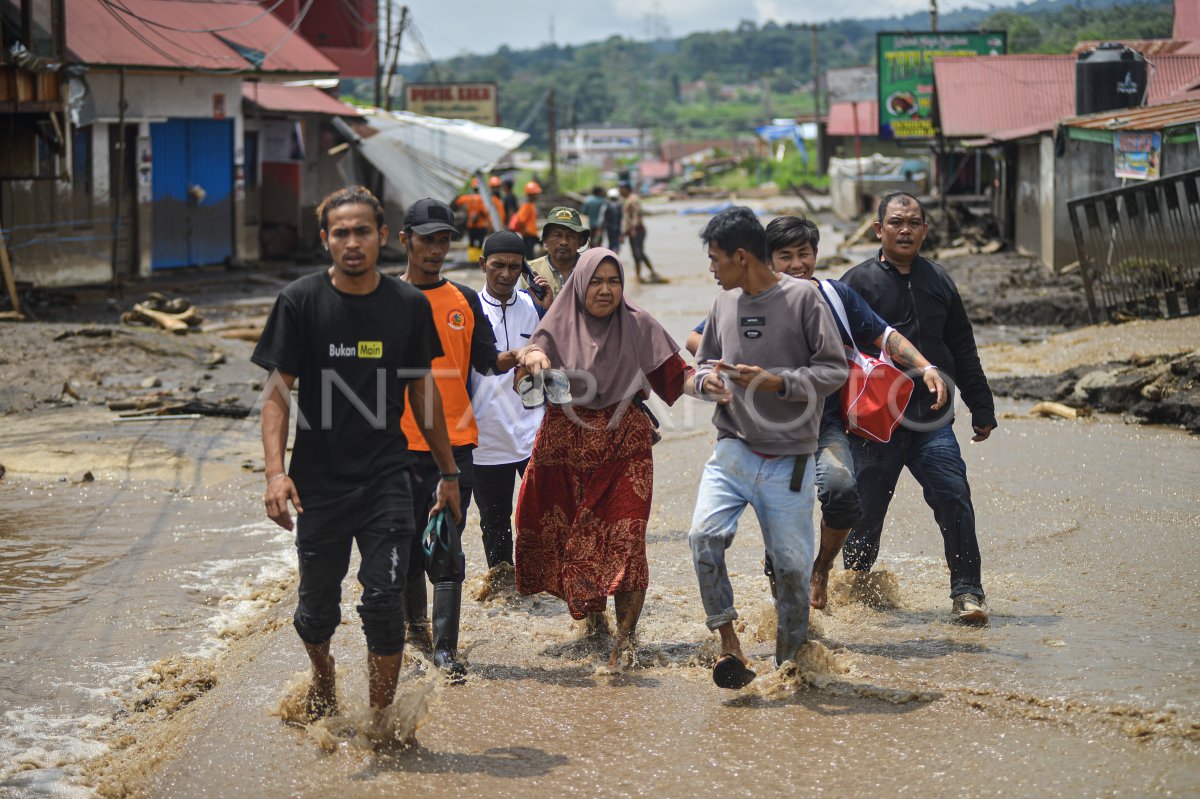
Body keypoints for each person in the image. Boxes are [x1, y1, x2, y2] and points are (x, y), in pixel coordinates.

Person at [253, 186, 461, 726]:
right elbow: (276, 395)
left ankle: (380, 720)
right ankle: (324, 676)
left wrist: (448, 472)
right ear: (325, 239)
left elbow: (424, 393)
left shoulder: (408, 307)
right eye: (340, 232)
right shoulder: (300, 301)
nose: (352, 242)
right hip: (318, 483)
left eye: (362, 231)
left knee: (385, 602)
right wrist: (275, 474)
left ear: (382, 237)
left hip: (386, 477)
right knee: (317, 611)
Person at [683, 216, 947, 609]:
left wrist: (925, 367)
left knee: (841, 492)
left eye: (803, 254)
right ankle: (785, 613)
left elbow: (883, 335)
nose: (796, 265)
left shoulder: (833, 295)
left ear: (816, 255)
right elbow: (696, 338)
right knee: (776, 527)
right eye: (785, 257)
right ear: (765, 260)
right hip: (764, 428)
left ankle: (821, 566)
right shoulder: (743, 300)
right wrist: (728, 370)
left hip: (824, 421)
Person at [513, 248, 700, 669]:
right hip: (564, 443)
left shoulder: (638, 324)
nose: (605, 290)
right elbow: (525, 370)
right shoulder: (556, 325)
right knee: (569, 534)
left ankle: (626, 644)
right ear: (579, 284)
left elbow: (675, 375)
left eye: (613, 281)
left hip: (624, 442)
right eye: (596, 281)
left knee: (627, 538)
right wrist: (532, 359)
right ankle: (595, 626)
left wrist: (710, 384)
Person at [688, 206, 846, 689]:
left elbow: (835, 370)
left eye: (716, 260)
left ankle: (788, 667)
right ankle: (730, 646)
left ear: (741, 257)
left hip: (792, 457)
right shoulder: (722, 304)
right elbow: (697, 370)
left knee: (794, 568)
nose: (712, 269)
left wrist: (780, 382)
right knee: (703, 539)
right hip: (733, 448)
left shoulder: (803, 299)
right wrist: (708, 384)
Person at [839, 192, 997, 624]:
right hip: (875, 426)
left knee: (954, 496)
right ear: (879, 230)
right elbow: (836, 355)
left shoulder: (940, 281)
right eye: (896, 222)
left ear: (925, 230)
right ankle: (852, 592)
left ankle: (968, 593)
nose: (905, 230)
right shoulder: (855, 285)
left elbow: (962, 348)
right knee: (864, 514)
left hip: (932, 419)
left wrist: (981, 406)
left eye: (913, 222)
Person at [398, 198, 521, 681]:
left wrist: (530, 354)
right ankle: (414, 631)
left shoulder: (464, 300)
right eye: (427, 238)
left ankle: (445, 650)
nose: (435, 249)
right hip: (397, 448)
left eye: (444, 239)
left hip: (454, 446)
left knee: (445, 542)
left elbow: (489, 360)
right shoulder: (384, 298)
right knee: (406, 544)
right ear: (404, 238)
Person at [472, 231, 545, 570]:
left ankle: (541, 584)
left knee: (544, 518)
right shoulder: (468, 310)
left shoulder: (534, 306)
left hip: (533, 434)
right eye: (497, 265)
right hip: (485, 440)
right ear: (482, 263)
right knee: (495, 524)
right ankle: (503, 591)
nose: (505, 274)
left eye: (514, 267)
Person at [526, 206, 590, 303]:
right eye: (558, 235)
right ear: (545, 240)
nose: (564, 242)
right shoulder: (529, 271)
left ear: (580, 242)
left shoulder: (591, 270)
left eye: (571, 236)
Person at [619, 182, 665, 284]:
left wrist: (634, 229)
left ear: (626, 189)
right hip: (632, 231)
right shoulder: (627, 200)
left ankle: (643, 275)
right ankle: (643, 275)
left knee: (638, 253)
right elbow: (627, 219)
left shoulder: (633, 199)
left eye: (621, 189)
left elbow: (636, 215)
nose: (619, 192)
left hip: (637, 230)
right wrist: (624, 233)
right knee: (637, 254)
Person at [507, 181, 542, 259]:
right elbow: (520, 221)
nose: (537, 195)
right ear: (531, 194)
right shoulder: (526, 206)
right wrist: (525, 232)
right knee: (530, 257)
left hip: (532, 235)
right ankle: (529, 271)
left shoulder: (531, 205)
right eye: (535, 193)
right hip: (528, 236)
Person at [604, 187, 623, 252]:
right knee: (616, 243)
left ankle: (611, 255)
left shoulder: (606, 204)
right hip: (617, 227)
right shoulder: (620, 205)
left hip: (609, 228)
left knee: (611, 242)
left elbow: (603, 217)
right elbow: (622, 218)